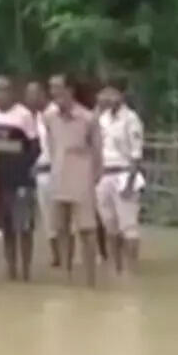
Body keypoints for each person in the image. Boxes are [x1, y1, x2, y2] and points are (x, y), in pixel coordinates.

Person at [43, 74, 101, 287]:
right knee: (61, 229)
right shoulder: (49, 117)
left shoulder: (87, 118)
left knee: (87, 230)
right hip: (59, 176)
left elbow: (97, 151)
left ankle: (90, 280)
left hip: (82, 178)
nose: (54, 92)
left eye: (58, 87)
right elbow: (52, 146)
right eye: (51, 88)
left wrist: (94, 178)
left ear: (70, 90)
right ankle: (66, 277)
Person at [0, 75, 42, 281]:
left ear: (13, 92)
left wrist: (27, 167)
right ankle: (11, 269)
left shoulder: (24, 115)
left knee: (24, 227)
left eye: (5, 89)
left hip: (21, 178)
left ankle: (26, 270)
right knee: (6, 226)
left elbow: (34, 147)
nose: (1, 94)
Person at [94, 80, 144, 274]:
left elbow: (136, 154)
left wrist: (130, 183)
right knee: (110, 226)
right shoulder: (102, 118)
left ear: (121, 96)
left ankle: (132, 270)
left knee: (129, 227)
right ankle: (117, 269)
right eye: (104, 93)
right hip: (104, 175)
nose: (107, 97)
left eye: (111, 93)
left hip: (123, 173)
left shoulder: (131, 119)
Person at [23, 80, 61, 268]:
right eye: (27, 94)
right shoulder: (35, 117)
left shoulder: (56, 113)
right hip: (41, 172)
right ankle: (56, 255)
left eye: (33, 94)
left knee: (61, 215)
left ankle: (66, 254)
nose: (29, 98)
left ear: (42, 94)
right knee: (48, 217)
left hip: (57, 171)